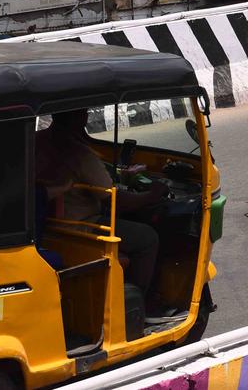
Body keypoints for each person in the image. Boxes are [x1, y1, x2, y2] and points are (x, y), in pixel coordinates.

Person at [36, 110, 176, 318]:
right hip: (78, 227)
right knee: (148, 237)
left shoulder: (38, 141)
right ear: (79, 117)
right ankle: (138, 306)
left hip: (45, 226)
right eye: (83, 111)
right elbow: (116, 200)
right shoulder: (79, 154)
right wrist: (151, 196)